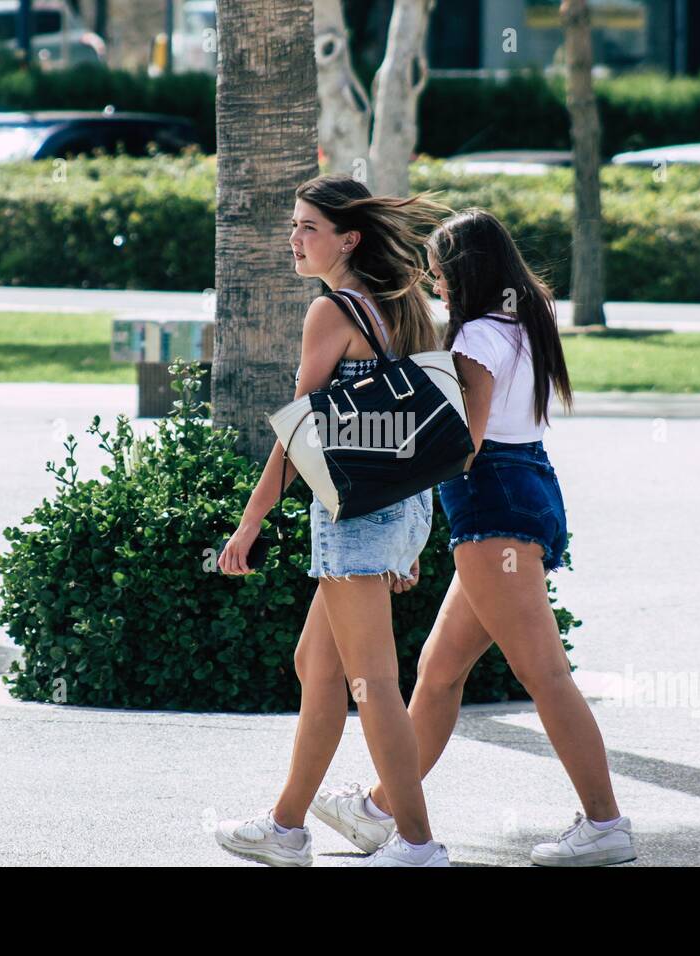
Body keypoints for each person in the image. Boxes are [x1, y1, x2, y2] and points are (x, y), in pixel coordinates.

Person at [310, 208, 636, 867]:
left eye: (440, 276)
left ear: (466, 272)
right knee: (438, 672)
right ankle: (380, 811)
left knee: (543, 672)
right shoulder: (525, 321)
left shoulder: (479, 339)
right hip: (524, 489)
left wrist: (388, 493)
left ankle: (605, 824)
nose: (436, 287)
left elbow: (466, 442)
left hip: (491, 502)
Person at [214, 174, 453, 867]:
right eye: (293, 225)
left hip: (357, 515)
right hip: (404, 503)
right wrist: (405, 542)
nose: (294, 239)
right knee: (315, 668)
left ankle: (416, 841)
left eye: (308, 228)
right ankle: (287, 827)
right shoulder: (399, 306)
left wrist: (250, 522)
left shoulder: (332, 312)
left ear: (348, 239)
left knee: (371, 684)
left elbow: (297, 435)